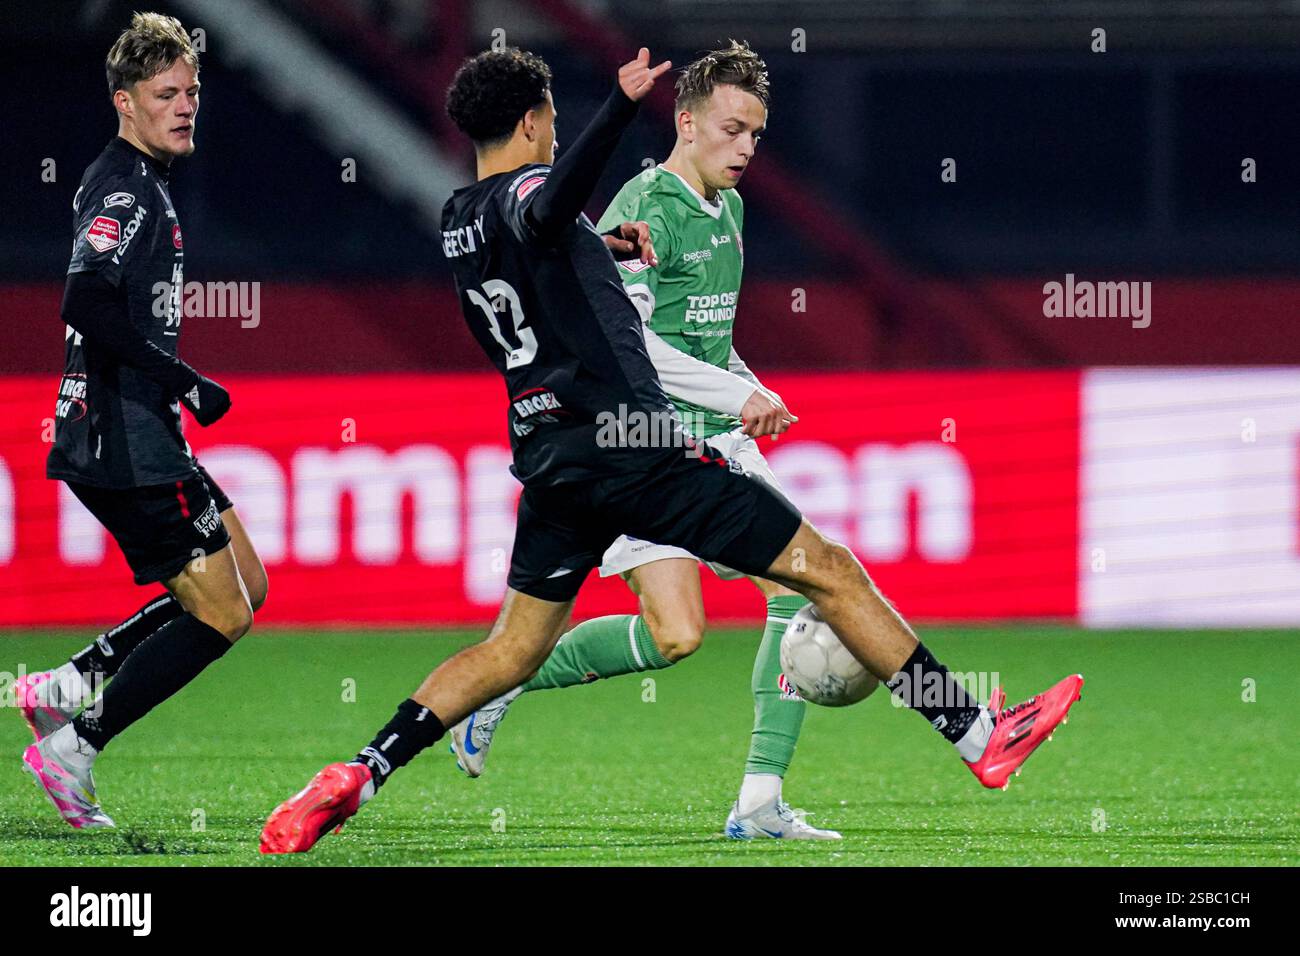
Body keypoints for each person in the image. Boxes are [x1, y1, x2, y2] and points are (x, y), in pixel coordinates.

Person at [260, 46, 1082, 854]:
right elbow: (547, 210)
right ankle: (979, 734)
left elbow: (545, 249)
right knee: (825, 570)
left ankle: (362, 770)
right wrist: (619, 108)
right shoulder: (542, 191)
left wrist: (603, 246)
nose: (556, 132)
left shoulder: (458, 220)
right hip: (637, 446)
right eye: (551, 119)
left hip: (551, 458)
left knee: (512, 647)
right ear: (533, 120)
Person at [446, 41, 841, 840]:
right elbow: (639, 348)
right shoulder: (643, 204)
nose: (746, 149)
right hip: (639, 441)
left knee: (786, 595)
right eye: (732, 130)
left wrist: (748, 387)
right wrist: (739, 395)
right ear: (686, 123)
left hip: (713, 437)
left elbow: (707, 340)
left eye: (757, 135)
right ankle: (504, 679)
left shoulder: (729, 209)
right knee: (680, 635)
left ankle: (759, 803)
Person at [20, 12, 267, 830]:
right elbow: (83, 300)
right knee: (222, 612)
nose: (185, 105)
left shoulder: (139, 180)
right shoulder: (126, 189)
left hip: (142, 423)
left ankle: (69, 682)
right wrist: (186, 378)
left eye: (192, 91)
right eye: (166, 94)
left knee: (247, 584)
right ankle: (74, 746)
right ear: (125, 102)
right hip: (121, 432)